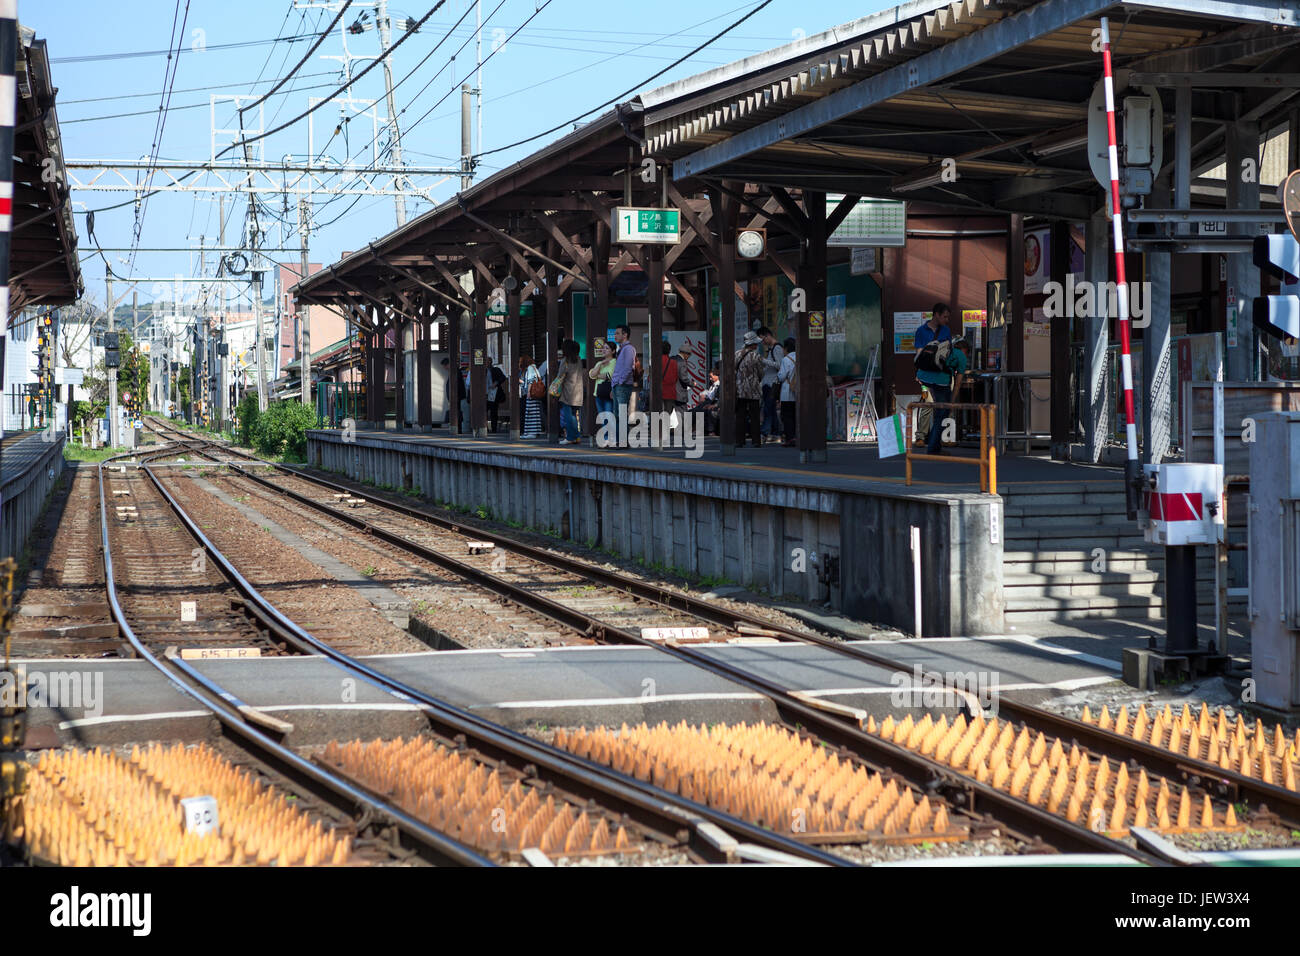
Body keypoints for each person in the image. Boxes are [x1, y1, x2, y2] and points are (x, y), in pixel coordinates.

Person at [914, 303, 953, 455]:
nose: (947, 319)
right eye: (945, 316)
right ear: (936, 314)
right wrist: (918, 373)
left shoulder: (946, 330)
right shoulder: (921, 331)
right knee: (929, 405)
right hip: (927, 376)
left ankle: (936, 441)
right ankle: (925, 439)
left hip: (941, 375)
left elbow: (948, 352)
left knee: (942, 410)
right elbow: (919, 352)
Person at [735, 330, 764, 448]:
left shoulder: (737, 354)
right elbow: (761, 373)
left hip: (740, 389)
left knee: (740, 415)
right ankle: (756, 440)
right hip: (753, 389)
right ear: (752, 344)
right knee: (755, 416)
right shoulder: (756, 356)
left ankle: (739, 440)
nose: (757, 345)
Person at [758, 326, 785, 443]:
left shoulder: (777, 348)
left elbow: (779, 365)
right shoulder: (771, 349)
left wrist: (764, 361)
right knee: (771, 409)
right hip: (768, 383)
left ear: (768, 335)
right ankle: (775, 434)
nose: (762, 343)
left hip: (772, 384)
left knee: (768, 409)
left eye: (762, 339)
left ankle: (764, 432)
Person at [610, 324, 636, 441]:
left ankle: (622, 441)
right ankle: (619, 440)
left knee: (621, 414)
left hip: (623, 385)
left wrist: (620, 382)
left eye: (617, 333)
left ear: (625, 335)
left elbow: (628, 367)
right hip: (618, 385)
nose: (615, 335)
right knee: (617, 414)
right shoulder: (622, 348)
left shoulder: (629, 349)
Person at [556, 339, 584, 445]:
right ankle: (576, 436)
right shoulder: (579, 360)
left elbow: (560, 375)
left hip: (568, 392)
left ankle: (570, 437)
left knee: (568, 416)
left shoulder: (565, 361)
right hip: (578, 392)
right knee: (573, 415)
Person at [589, 339, 617, 423]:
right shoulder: (599, 363)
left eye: (607, 348)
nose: (604, 350)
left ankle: (609, 436)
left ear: (613, 351)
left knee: (609, 418)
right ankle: (605, 436)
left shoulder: (614, 362)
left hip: (609, 394)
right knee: (602, 419)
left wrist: (597, 375)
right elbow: (591, 375)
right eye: (603, 348)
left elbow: (609, 376)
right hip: (598, 394)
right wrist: (601, 364)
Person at [688, 365, 720, 435]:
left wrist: (705, 397)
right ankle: (692, 428)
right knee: (692, 411)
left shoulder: (718, 384)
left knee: (698, 411)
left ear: (717, 376)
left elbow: (714, 397)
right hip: (708, 401)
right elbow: (710, 393)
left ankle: (695, 429)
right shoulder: (713, 385)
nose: (710, 379)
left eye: (711, 377)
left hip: (712, 402)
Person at [777, 336, 797, 447]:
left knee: (787, 416)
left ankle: (790, 438)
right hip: (798, 391)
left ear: (786, 348)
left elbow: (782, 376)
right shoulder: (800, 357)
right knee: (795, 415)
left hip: (787, 391)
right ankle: (797, 436)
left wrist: (778, 375)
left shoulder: (786, 359)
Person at [518, 354, 543, 438]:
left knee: (530, 412)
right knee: (535, 413)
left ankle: (530, 433)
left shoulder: (530, 368)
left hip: (531, 393)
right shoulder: (534, 368)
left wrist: (528, 392)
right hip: (536, 394)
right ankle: (535, 432)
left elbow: (530, 381)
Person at [659, 339, 680, 419]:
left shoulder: (656, 361)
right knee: (667, 414)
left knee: (657, 414)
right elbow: (675, 378)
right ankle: (665, 431)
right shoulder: (673, 362)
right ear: (669, 350)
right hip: (670, 392)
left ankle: (657, 430)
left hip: (658, 392)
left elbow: (651, 379)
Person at [487, 362, 507, 433]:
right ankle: (487, 428)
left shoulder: (495, 370)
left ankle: (493, 428)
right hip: (486, 394)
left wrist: (496, 383)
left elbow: (503, 377)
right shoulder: (482, 370)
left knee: (494, 411)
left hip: (494, 393)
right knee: (487, 411)